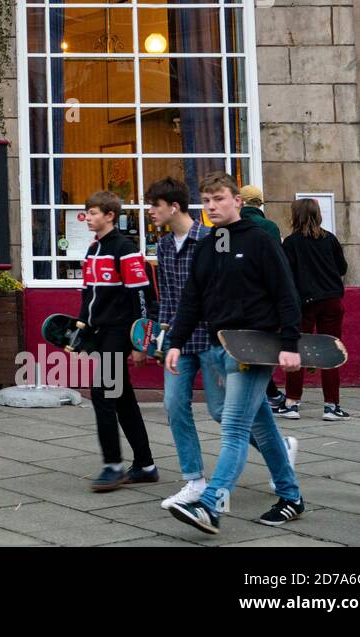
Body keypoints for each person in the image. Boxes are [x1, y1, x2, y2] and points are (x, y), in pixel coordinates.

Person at [164, 172, 304, 535]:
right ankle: (291, 497)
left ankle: (210, 506)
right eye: (207, 201)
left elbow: (286, 293)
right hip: (220, 346)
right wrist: (175, 342)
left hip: (256, 346)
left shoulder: (260, 240)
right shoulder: (208, 246)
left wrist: (289, 344)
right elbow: (192, 298)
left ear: (237, 201)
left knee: (234, 427)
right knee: (263, 425)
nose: (212, 206)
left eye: (219, 199)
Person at [77, 191, 158, 492]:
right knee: (122, 397)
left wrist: (140, 342)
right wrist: (81, 327)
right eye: (87, 212)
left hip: (119, 333)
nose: (89, 217)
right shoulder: (93, 250)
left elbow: (141, 296)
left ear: (110, 215)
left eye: (94, 212)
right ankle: (146, 466)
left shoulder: (125, 249)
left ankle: (112, 466)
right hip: (100, 332)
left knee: (102, 393)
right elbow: (88, 295)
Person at [144, 178, 214, 508]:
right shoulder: (163, 247)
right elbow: (169, 298)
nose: (149, 212)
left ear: (174, 207)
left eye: (155, 205)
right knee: (174, 406)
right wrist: (162, 338)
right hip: (178, 342)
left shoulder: (212, 239)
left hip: (213, 339)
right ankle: (195, 480)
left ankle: (277, 450)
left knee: (225, 412)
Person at [276, 199, 348, 420]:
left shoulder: (291, 242)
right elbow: (342, 268)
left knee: (296, 351)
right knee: (330, 352)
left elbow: (286, 275)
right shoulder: (330, 239)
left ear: (295, 216)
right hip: (332, 300)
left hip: (304, 303)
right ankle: (331, 406)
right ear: (318, 214)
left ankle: (292, 403)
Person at [240, 184, 288, 411]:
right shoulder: (269, 227)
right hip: (263, 298)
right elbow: (277, 265)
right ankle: (267, 393)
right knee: (262, 346)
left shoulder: (227, 227)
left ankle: (265, 393)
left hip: (235, 299)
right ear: (259, 202)